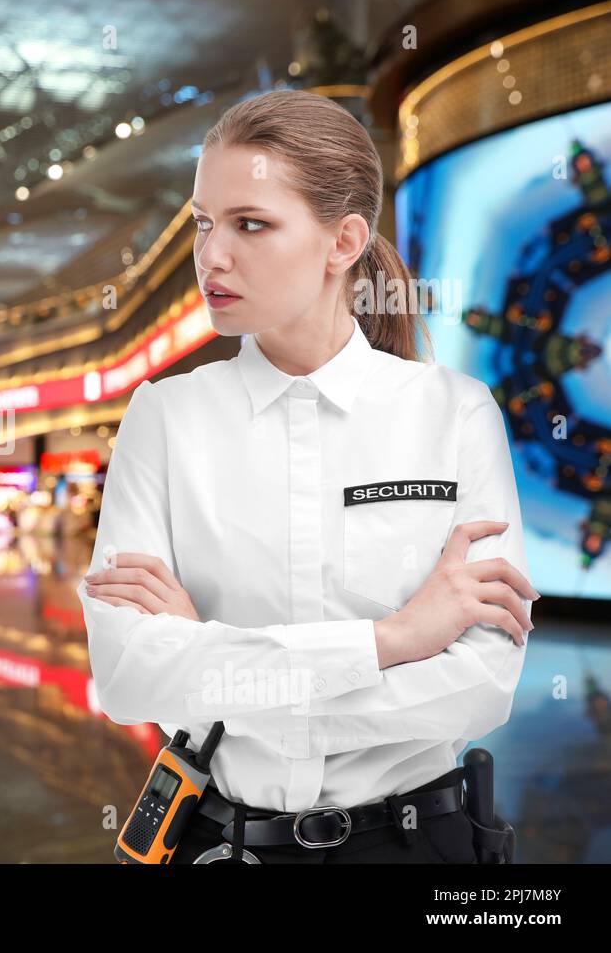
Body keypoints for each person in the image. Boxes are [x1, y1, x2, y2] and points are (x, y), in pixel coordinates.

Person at [80, 89, 537, 864]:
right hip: (223, 844)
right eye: (203, 222)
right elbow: (127, 677)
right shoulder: (165, 417)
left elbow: (482, 686)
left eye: (250, 224)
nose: (211, 255)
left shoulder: (451, 414)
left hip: (413, 846)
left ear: (343, 240)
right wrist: (390, 641)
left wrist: (216, 662)